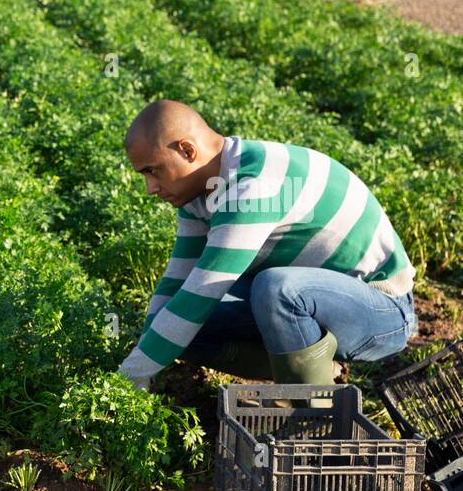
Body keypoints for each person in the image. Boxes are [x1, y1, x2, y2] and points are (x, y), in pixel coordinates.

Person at [118, 100, 416, 390]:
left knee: (275, 288)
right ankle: (315, 371)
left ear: (187, 150)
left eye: (152, 171)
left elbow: (199, 296)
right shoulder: (200, 194)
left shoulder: (251, 188)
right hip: (315, 301)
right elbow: (177, 283)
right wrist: (143, 355)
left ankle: (314, 413)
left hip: (383, 311)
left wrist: (129, 377)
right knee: (178, 321)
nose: (150, 189)